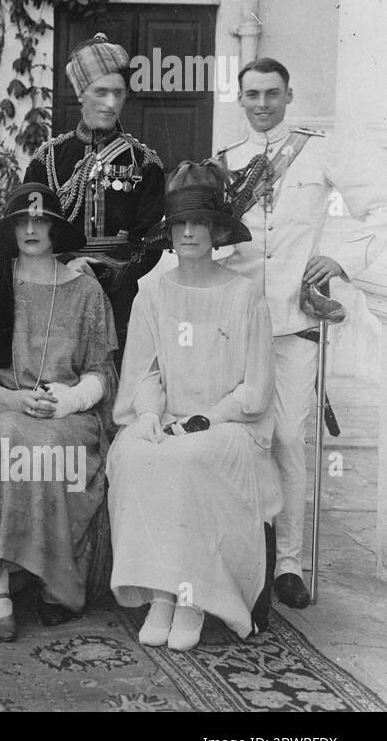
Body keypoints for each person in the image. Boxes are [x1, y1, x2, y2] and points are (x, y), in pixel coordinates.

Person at [213, 57, 387, 609]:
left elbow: (380, 206)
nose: (262, 104)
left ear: (288, 96)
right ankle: (244, 554)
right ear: (240, 99)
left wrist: (342, 257)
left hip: (295, 323)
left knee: (288, 439)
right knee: (239, 435)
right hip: (237, 323)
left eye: (272, 93)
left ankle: (288, 564)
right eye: (253, 94)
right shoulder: (224, 164)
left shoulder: (317, 151)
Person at [0, 183, 118, 641]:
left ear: (55, 228)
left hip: (66, 413)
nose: (32, 229)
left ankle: (56, 580)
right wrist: (12, 399)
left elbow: (101, 372)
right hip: (3, 406)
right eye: (23, 221)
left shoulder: (85, 291)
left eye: (41, 221)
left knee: (50, 444)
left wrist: (67, 400)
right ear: (11, 229)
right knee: (7, 442)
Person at [107, 162, 281, 651]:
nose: (187, 233)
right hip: (167, 417)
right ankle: (161, 594)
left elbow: (256, 388)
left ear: (217, 232)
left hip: (230, 425)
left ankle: (193, 599)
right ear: (168, 233)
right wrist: (148, 414)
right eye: (179, 224)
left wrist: (208, 419)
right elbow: (144, 371)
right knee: (134, 454)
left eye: (198, 223)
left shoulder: (245, 295)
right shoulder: (152, 293)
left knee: (189, 458)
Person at [24, 33, 165, 354]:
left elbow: (150, 241)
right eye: (101, 92)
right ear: (80, 94)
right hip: (55, 288)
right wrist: (66, 266)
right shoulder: (47, 159)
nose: (111, 103)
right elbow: (28, 230)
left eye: (118, 93)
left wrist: (107, 274)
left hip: (119, 296)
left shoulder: (145, 163)